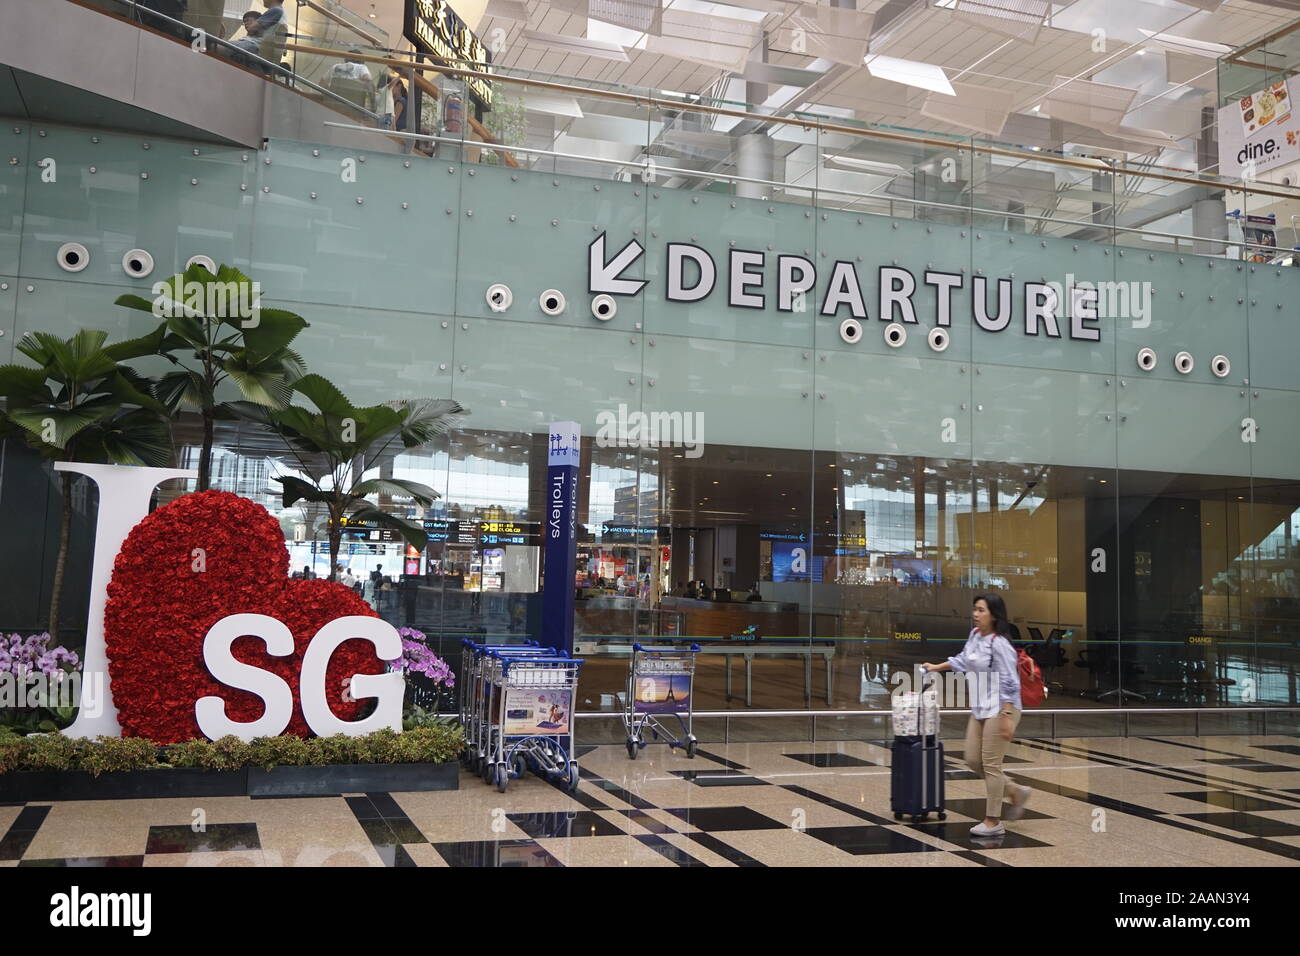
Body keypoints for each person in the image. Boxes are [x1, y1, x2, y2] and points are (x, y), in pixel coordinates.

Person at [921, 593, 1030, 837]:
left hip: (1001, 708)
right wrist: (937, 667)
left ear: (994, 615)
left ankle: (993, 820)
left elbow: (1011, 681)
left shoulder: (999, 643)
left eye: (981, 610)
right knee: (973, 760)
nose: (975, 614)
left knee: (991, 765)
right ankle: (1014, 791)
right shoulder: (975, 636)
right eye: (975, 609)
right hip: (981, 706)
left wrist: (1007, 715)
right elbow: (963, 660)